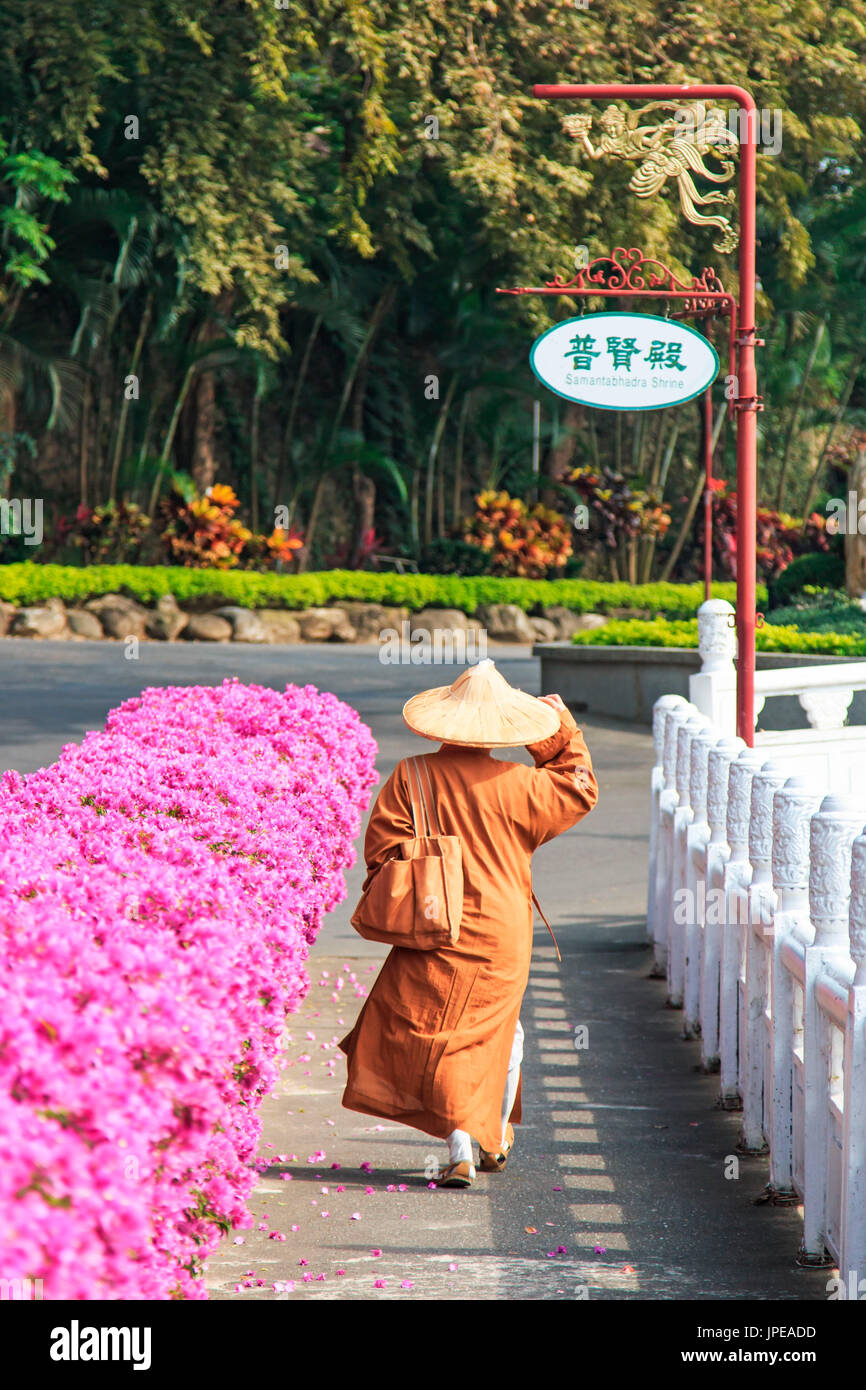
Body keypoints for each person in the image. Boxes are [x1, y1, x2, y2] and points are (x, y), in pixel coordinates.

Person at [338, 658, 599, 1187]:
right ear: (502, 726)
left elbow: (380, 852)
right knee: (500, 1033)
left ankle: (461, 1145)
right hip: (503, 930)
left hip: (433, 924)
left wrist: (431, 858)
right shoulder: (522, 784)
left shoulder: (411, 775)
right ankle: (492, 1137)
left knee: (434, 1029)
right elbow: (579, 788)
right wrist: (560, 734)